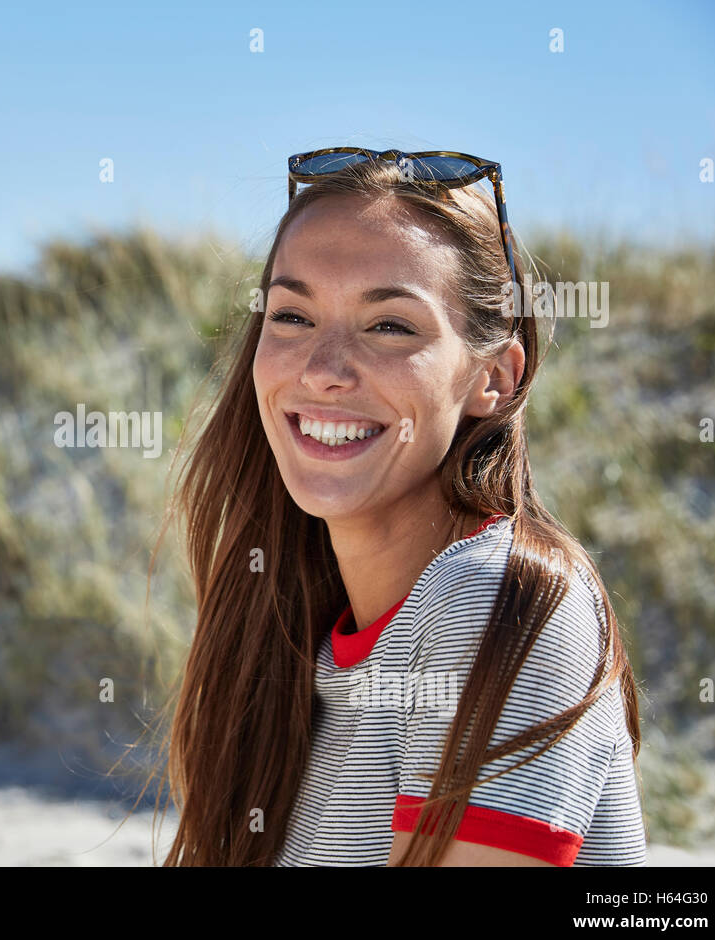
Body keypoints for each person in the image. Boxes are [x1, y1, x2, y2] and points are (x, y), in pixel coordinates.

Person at [153, 149, 646, 866]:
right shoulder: (298, 649)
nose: (322, 370)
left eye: (390, 326)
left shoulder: (496, 595)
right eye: (291, 315)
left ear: (495, 380)